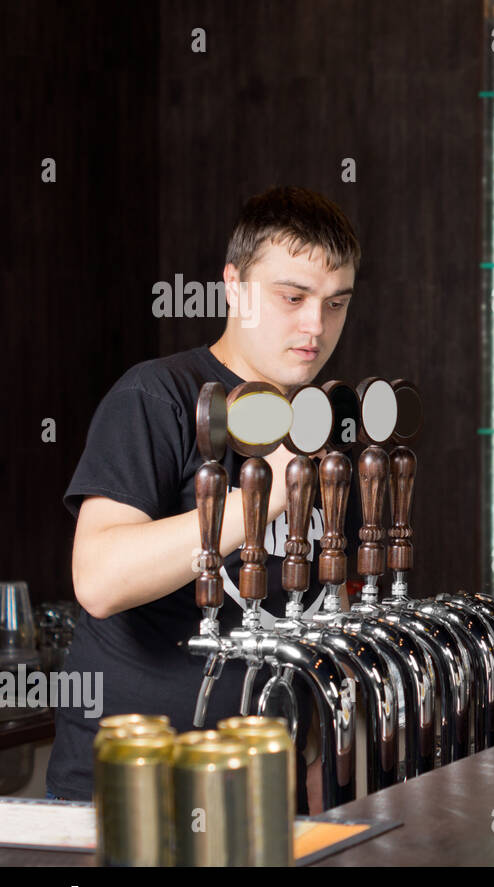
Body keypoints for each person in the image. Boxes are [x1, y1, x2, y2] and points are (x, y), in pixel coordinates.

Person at [52, 186, 362, 812]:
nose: (315, 326)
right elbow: (99, 579)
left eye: (335, 304)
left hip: (261, 790)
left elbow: (323, 611)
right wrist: (269, 490)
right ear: (234, 286)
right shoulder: (159, 396)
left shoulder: (327, 423)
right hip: (137, 789)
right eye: (292, 298)